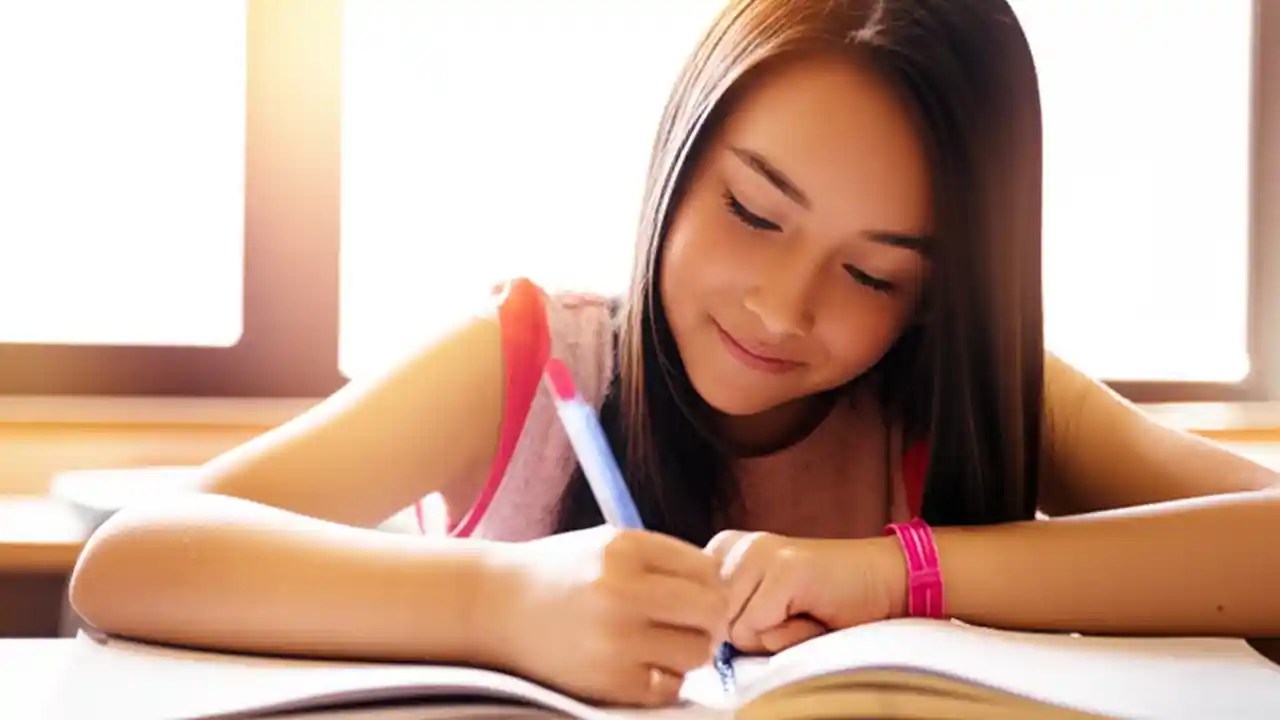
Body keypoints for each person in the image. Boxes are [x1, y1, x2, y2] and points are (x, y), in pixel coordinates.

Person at [69, 0, 1280, 708]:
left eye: (871, 275)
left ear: (937, 297)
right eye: (753, 212)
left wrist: (895, 575)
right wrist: (498, 603)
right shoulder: (531, 365)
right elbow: (131, 567)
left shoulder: (956, 400)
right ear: (679, 161)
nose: (780, 309)